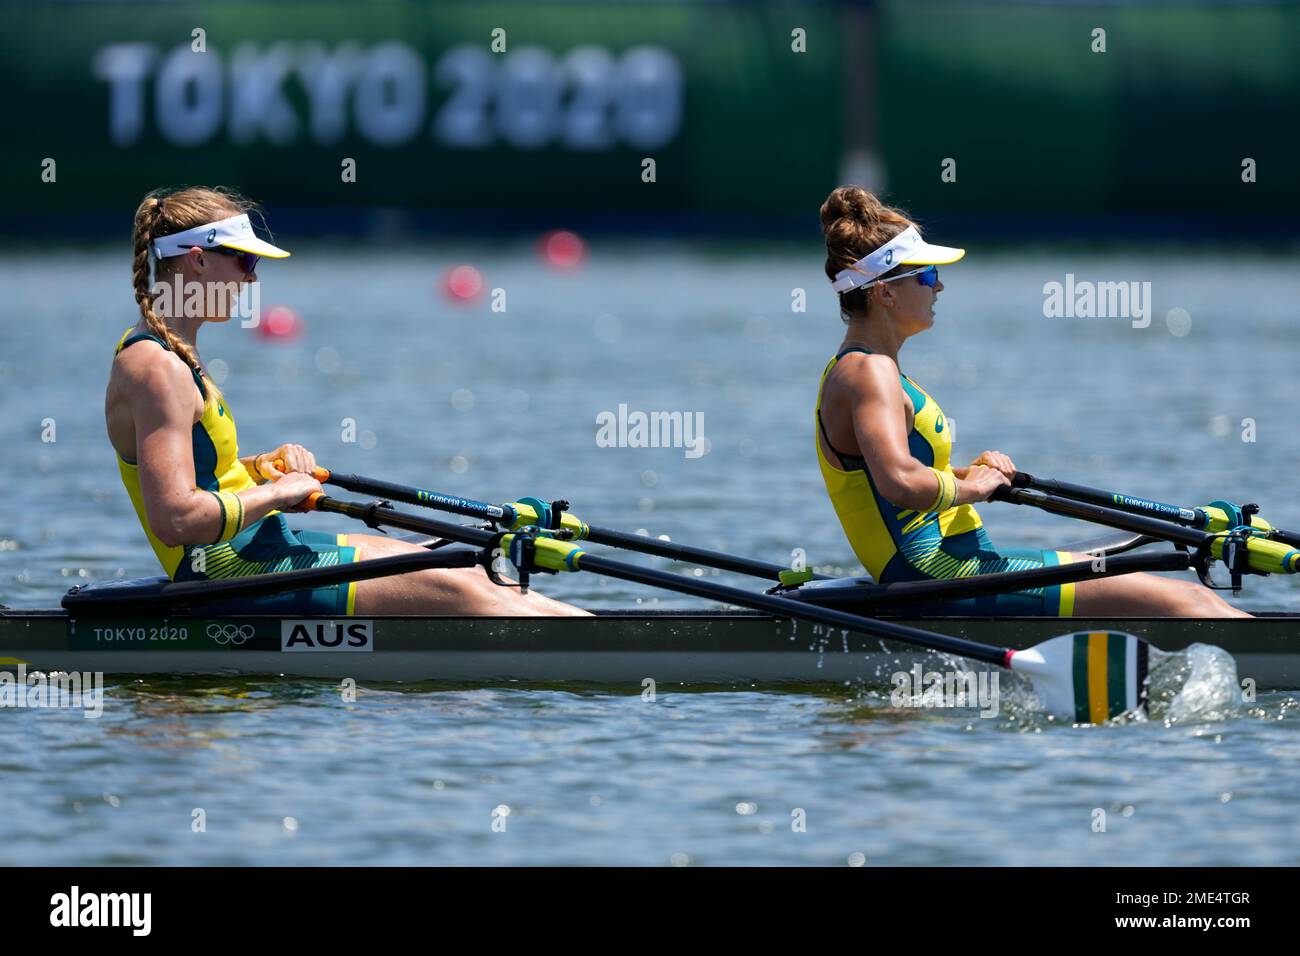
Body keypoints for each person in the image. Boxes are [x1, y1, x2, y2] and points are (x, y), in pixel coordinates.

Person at [105, 185, 586, 616]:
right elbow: (177, 518)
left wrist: (259, 470)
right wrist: (280, 492)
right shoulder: (156, 369)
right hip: (228, 573)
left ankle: (607, 634)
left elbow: (202, 477)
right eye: (246, 262)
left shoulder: (175, 354)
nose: (252, 281)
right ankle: (616, 652)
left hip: (267, 544)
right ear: (199, 259)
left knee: (471, 573)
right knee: (467, 595)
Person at [814, 185, 1246, 617]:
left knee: (1187, 597)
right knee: (1188, 601)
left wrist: (971, 471)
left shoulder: (864, 369)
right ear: (884, 292)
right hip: (938, 573)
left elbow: (887, 479)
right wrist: (974, 488)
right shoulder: (870, 373)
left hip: (954, 562)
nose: (939, 284)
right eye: (926, 274)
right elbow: (900, 483)